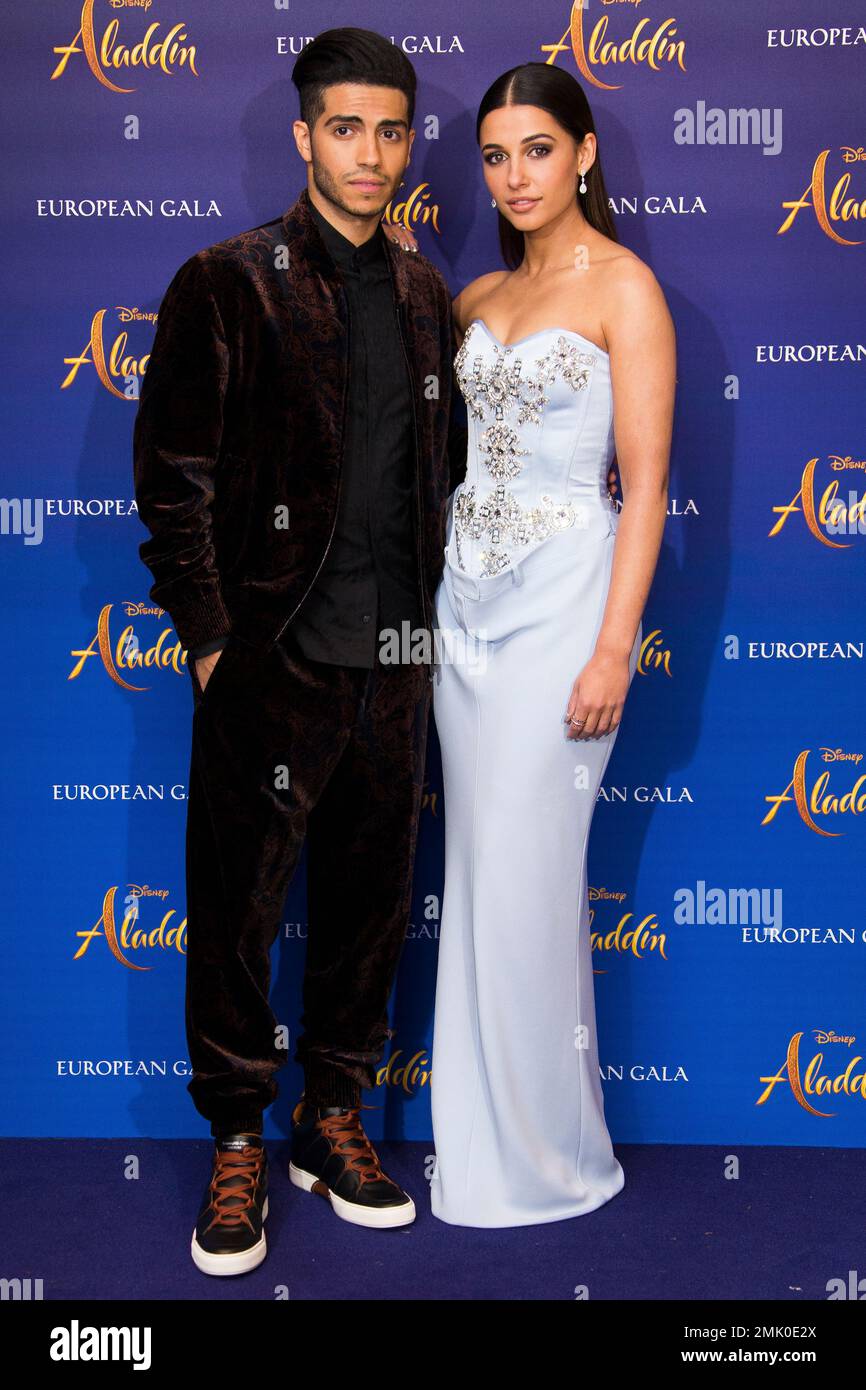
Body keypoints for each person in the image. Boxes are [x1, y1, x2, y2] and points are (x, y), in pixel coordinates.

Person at [132, 27, 467, 1275]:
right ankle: (235, 1134)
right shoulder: (230, 282)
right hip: (269, 661)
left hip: (394, 660)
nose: (370, 154)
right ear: (302, 137)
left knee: (370, 908)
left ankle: (334, 1121)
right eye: (346, 128)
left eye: (390, 131)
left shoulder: (430, 296)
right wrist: (215, 643)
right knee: (235, 912)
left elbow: (445, 479)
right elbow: (173, 479)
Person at [429, 63, 675, 1227]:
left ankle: (552, 1157)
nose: (513, 174)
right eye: (492, 154)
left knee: (528, 882)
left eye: (535, 148)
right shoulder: (471, 298)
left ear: (582, 153)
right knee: (480, 877)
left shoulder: (625, 289)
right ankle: (475, 1146)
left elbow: (647, 489)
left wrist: (612, 649)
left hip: (566, 612)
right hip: (460, 615)